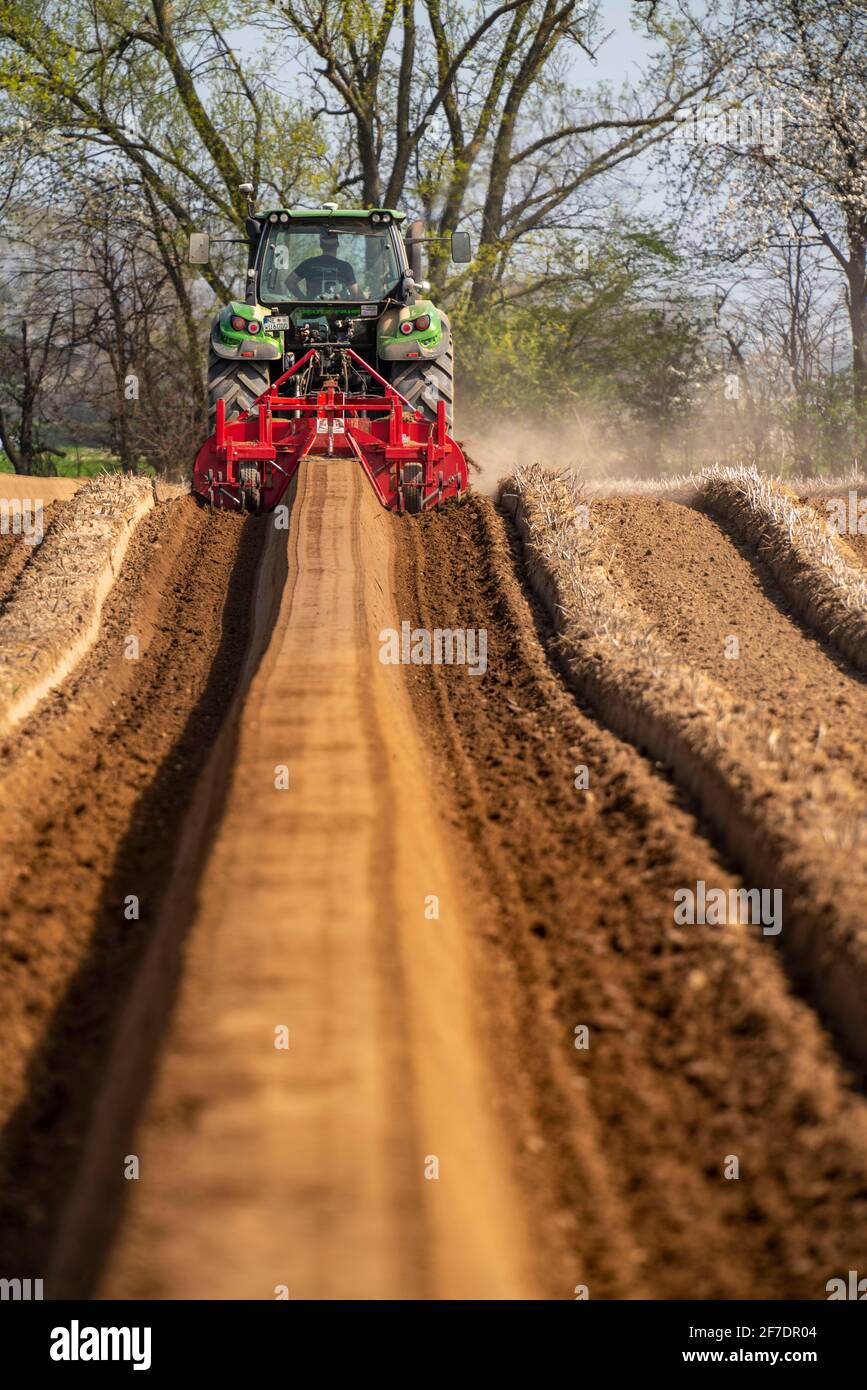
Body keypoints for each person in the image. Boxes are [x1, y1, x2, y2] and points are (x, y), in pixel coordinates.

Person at [285, 230, 359, 299]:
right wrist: (363, 295)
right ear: (337, 245)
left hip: (311, 310)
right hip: (339, 310)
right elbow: (356, 293)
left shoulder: (308, 263)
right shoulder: (345, 267)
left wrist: (303, 299)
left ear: (321, 245)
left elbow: (290, 281)